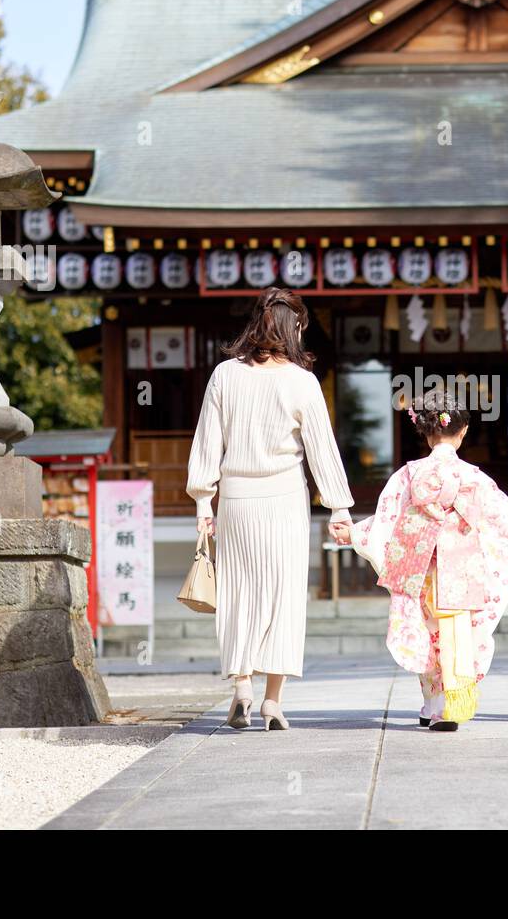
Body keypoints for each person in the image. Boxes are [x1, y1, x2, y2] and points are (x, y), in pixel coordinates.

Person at [186, 287, 353, 731]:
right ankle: (272, 702)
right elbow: (322, 451)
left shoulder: (225, 375)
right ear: (295, 327)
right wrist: (337, 508)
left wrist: (204, 499)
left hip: (237, 500)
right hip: (284, 500)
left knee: (238, 593)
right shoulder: (302, 381)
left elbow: (207, 442)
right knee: (283, 598)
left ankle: (241, 688)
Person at [336, 390, 508, 732]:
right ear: (463, 433)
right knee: (459, 631)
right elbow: (502, 520)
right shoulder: (474, 477)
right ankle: (451, 704)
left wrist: (354, 533)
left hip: (421, 565)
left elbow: (387, 519)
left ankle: (433, 703)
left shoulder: (409, 474)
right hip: (464, 567)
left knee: (429, 629)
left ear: (426, 433)